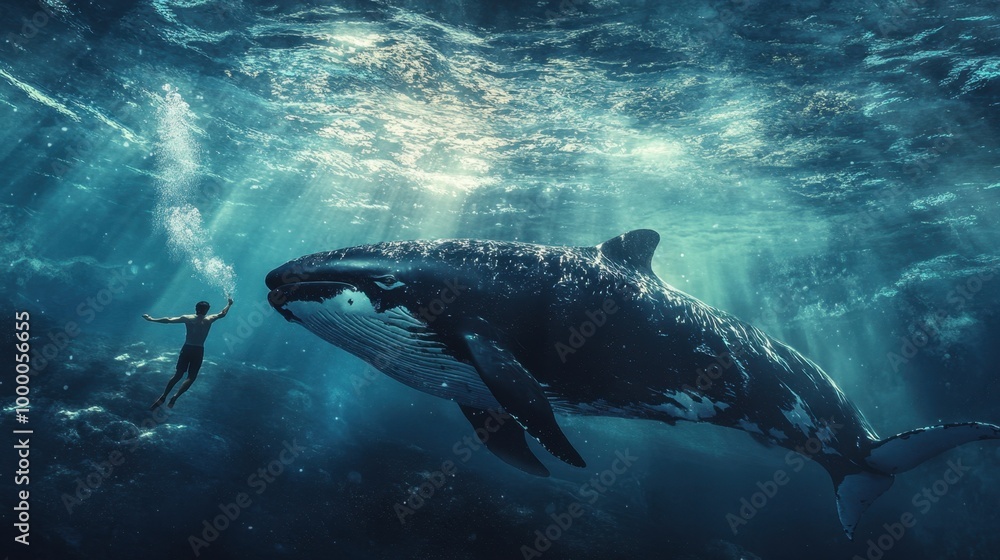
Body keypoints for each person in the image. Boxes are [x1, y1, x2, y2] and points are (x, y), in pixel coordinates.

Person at [143, 297, 233, 409]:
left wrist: (151, 319)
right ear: (207, 310)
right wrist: (229, 304)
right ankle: (175, 397)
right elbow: (222, 313)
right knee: (191, 377)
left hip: (187, 348)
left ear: (196, 308)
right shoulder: (210, 319)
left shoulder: (188, 318)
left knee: (178, 374)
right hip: (198, 350)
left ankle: (164, 395)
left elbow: (168, 320)